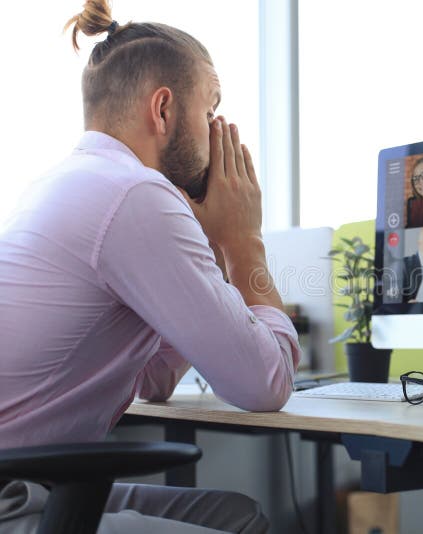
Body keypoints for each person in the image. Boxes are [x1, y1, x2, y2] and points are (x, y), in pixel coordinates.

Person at [0, 1, 299, 532]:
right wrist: (243, 241)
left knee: (235, 515)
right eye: (210, 112)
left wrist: (203, 250)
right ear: (163, 111)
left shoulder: (71, 183)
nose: (219, 133)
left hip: (28, 479)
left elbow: (153, 379)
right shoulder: (135, 194)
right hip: (15, 497)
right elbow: (266, 383)